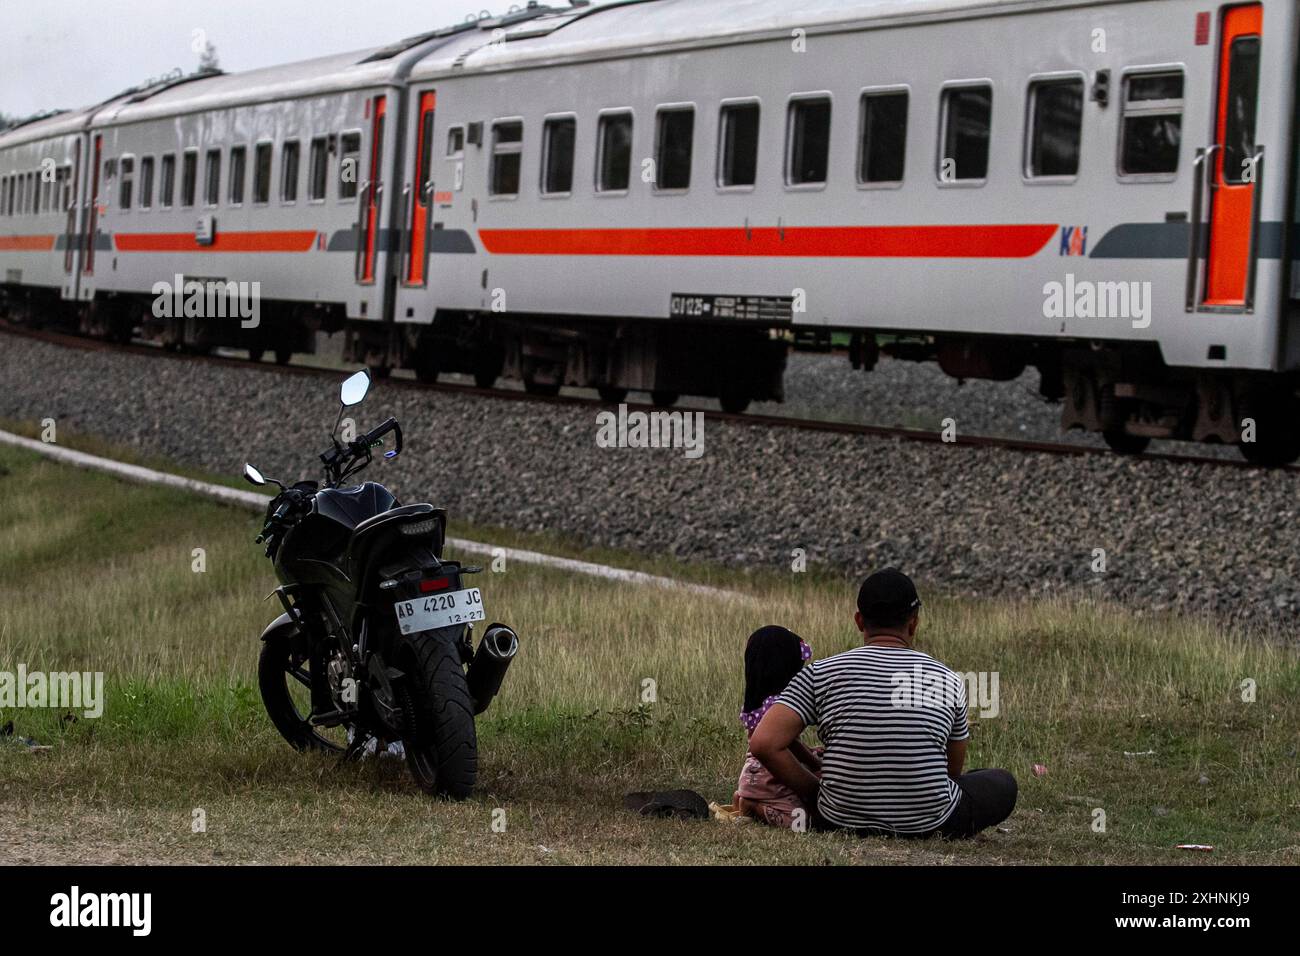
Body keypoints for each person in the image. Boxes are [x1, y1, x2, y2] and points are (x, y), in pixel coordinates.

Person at [749, 569, 1017, 838]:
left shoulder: (820, 673)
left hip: (839, 818)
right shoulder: (947, 679)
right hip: (929, 824)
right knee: (1002, 783)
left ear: (859, 621)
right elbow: (952, 772)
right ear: (913, 623)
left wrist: (815, 795)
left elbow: (764, 743)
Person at [731, 626, 820, 828]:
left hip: (754, 774)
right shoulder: (780, 705)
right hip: (771, 777)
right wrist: (815, 763)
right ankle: (753, 806)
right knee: (804, 822)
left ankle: (744, 796)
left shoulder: (758, 703)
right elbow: (791, 746)